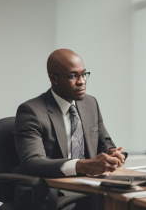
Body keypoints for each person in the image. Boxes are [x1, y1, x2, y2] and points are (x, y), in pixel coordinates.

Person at [15, 48, 125, 178]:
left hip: (91, 183)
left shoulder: (90, 103)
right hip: (54, 188)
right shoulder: (31, 111)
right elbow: (32, 162)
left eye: (84, 74)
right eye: (73, 76)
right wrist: (80, 166)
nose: (82, 81)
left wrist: (112, 154)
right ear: (53, 79)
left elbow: (105, 143)